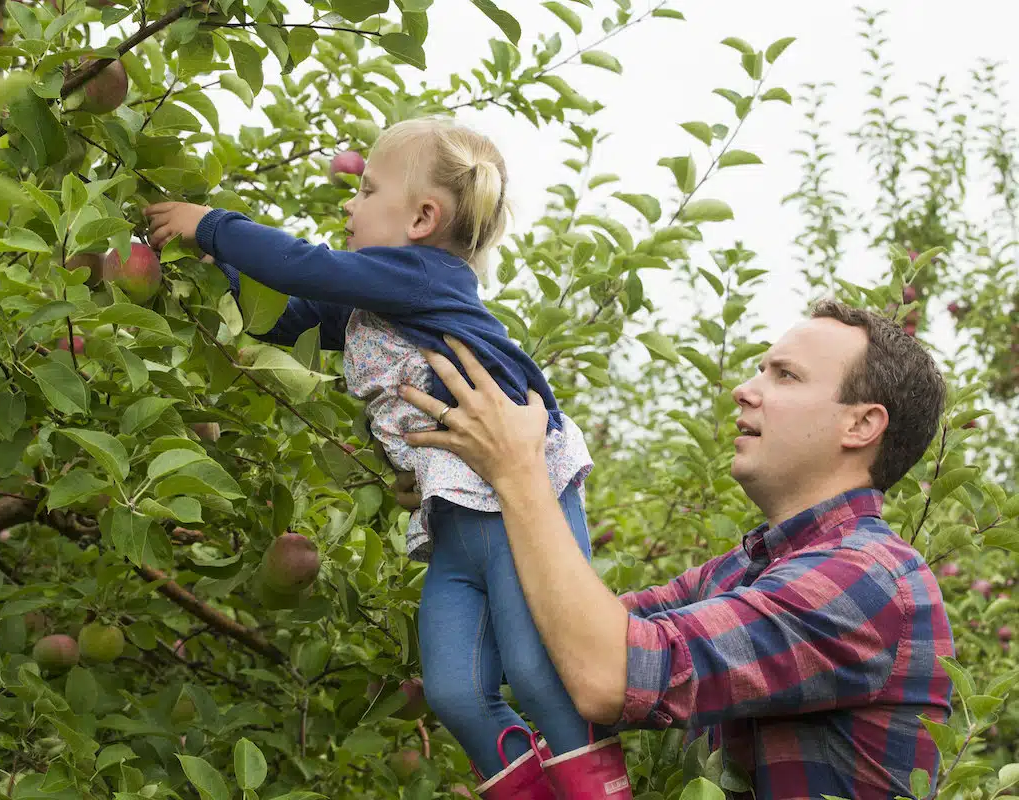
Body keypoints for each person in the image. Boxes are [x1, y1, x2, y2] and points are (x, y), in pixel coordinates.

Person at [142, 117, 601, 797]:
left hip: (519, 502)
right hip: (452, 522)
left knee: (539, 670)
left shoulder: (423, 277)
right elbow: (274, 314)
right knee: (453, 691)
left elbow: (304, 264)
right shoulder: (373, 308)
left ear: (422, 218)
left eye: (368, 190)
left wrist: (211, 224)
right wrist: (206, 272)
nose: (349, 206)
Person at [397, 301, 956, 800]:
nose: (747, 388)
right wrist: (469, 496)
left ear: (860, 424)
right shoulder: (749, 570)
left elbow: (606, 673)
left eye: (785, 375)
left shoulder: (868, 579)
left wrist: (519, 472)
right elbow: (563, 637)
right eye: (760, 367)